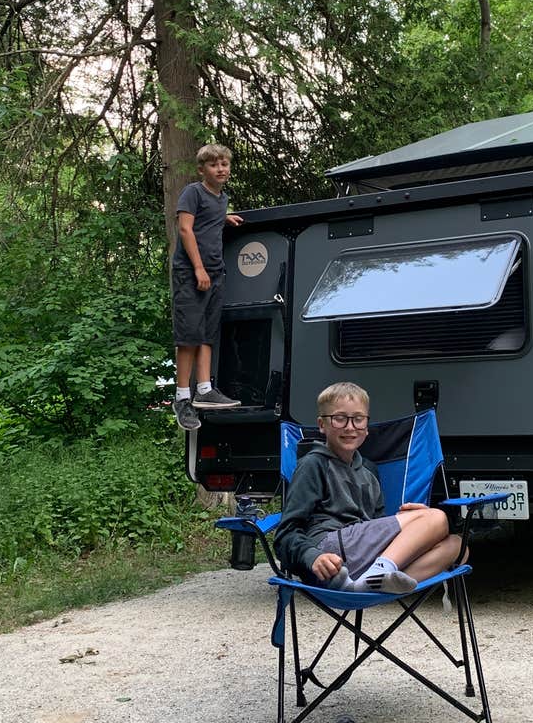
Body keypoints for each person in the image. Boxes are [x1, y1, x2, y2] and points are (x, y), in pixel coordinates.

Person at [274, 381, 465, 592]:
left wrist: (412, 521)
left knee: (457, 546)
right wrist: (313, 557)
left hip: (358, 557)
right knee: (437, 518)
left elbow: (373, 524)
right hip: (328, 553)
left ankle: (368, 586)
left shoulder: (369, 471)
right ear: (322, 425)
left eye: (358, 419)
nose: (350, 427)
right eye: (339, 418)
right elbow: (285, 534)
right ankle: (379, 572)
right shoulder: (313, 464)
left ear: (366, 427)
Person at [171, 143, 244, 431]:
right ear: (202, 169)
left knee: (207, 334)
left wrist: (223, 217)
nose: (221, 169)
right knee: (188, 335)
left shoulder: (221, 198)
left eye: (224, 164)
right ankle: (182, 398)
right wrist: (198, 268)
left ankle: (205, 390)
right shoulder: (193, 192)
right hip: (191, 272)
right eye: (214, 165)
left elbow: (207, 220)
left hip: (216, 272)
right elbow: (186, 228)